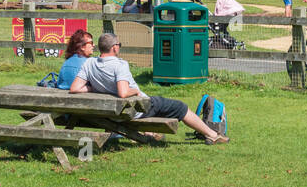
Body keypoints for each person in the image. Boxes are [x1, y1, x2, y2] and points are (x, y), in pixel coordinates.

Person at [70, 33, 227, 143]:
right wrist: (136, 91)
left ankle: (152, 133)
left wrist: (93, 89)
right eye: (119, 45)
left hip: (110, 113)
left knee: (165, 106)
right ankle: (212, 135)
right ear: (115, 48)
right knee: (180, 107)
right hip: (135, 108)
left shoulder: (89, 63)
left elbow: (75, 88)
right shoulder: (120, 65)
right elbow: (123, 92)